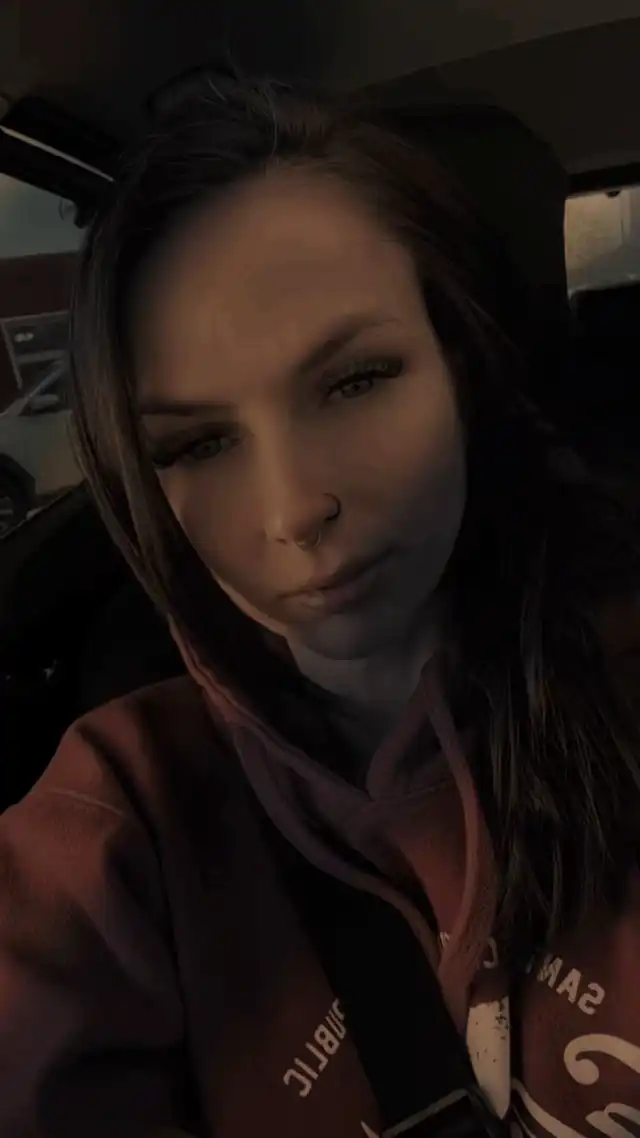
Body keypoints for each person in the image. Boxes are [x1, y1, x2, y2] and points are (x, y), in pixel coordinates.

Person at [0, 71, 639, 1138]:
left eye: (356, 380)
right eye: (198, 442)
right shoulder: (121, 821)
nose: (293, 509)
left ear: (461, 365)